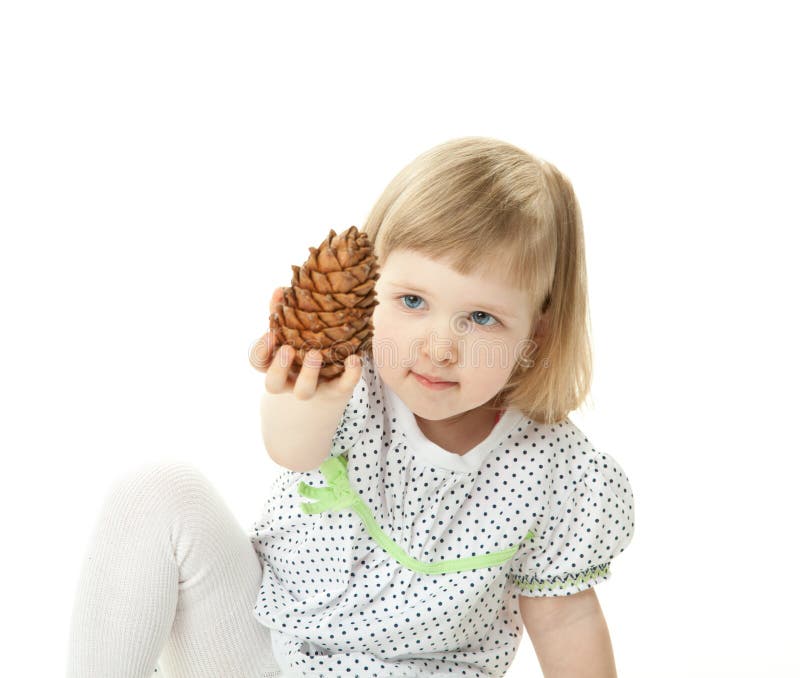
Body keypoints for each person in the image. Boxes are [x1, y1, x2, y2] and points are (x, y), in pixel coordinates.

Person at [67, 136, 634, 678]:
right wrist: (305, 388)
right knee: (159, 489)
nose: (439, 347)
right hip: (264, 648)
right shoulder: (352, 376)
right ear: (369, 289)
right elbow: (292, 450)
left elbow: (566, 619)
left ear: (536, 333)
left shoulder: (560, 475)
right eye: (413, 301)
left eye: (481, 318)